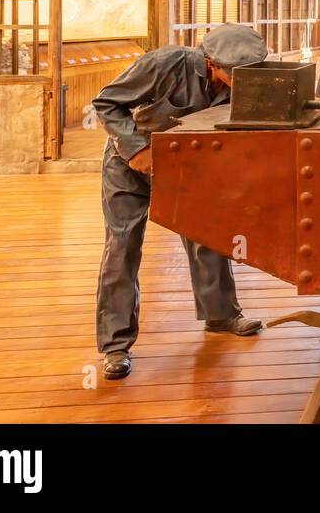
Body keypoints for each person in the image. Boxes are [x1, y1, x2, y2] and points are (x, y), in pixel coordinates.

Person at [92, 24, 269, 380]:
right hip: (131, 166)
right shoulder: (164, 63)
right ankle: (115, 345)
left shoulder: (246, 81)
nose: (241, 81)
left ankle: (221, 315)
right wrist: (136, 150)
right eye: (233, 74)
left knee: (208, 236)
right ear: (210, 61)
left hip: (190, 168)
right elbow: (106, 103)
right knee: (122, 247)